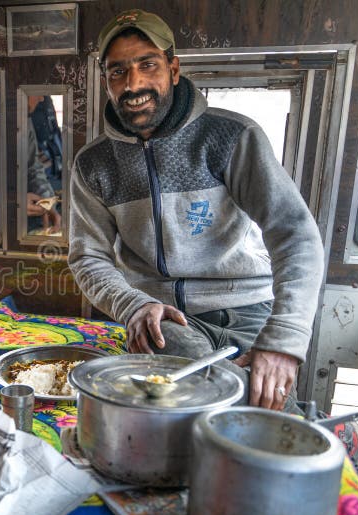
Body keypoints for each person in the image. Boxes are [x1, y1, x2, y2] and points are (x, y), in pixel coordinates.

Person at [68, 9, 325, 412]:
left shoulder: (232, 137)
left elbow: (295, 234)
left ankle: (310, 426)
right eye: (118, 71)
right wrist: (132, 304)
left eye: (147, 65)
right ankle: (315, 425)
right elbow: (88, 258)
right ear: (106, 81)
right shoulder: (93, 164)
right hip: (163, 316)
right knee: (188, 387)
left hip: (250, 307)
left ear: (173, 69)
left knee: (265, 403)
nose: (133, 84)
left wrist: (284, 338)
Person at [26, 96, 62, 235]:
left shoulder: (26, 121)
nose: (41, 98)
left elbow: (33, 166)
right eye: (37, 93)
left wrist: (49, 203)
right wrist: (14, 203)